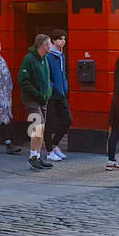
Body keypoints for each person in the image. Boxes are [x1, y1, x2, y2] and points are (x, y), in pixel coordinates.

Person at [17, 34, 55, 171]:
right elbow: (23, 80)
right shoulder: (29, 59)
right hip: (32, 99)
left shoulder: (44, 59)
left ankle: (38, 156)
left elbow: (48, 78)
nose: (50, 46)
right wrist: (38, 94)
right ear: (42, 45)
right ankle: (33, 156)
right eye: (49, 43)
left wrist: (48, 92)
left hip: (42, 99)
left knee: (41, 127)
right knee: (37, 126)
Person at [43, 29, 73, 161]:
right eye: (60, 39)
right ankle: (49, 151)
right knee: (50, 123)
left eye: (64, 39)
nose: (63, 41)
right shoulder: (49, 56)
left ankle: (54, 144)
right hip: (51, 95)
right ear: (53, 40)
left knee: (67, 120)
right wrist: (53, 87)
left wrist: (64, 87)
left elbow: (63, 74)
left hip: (61, 94)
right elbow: (47, 76)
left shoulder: (62, 55)